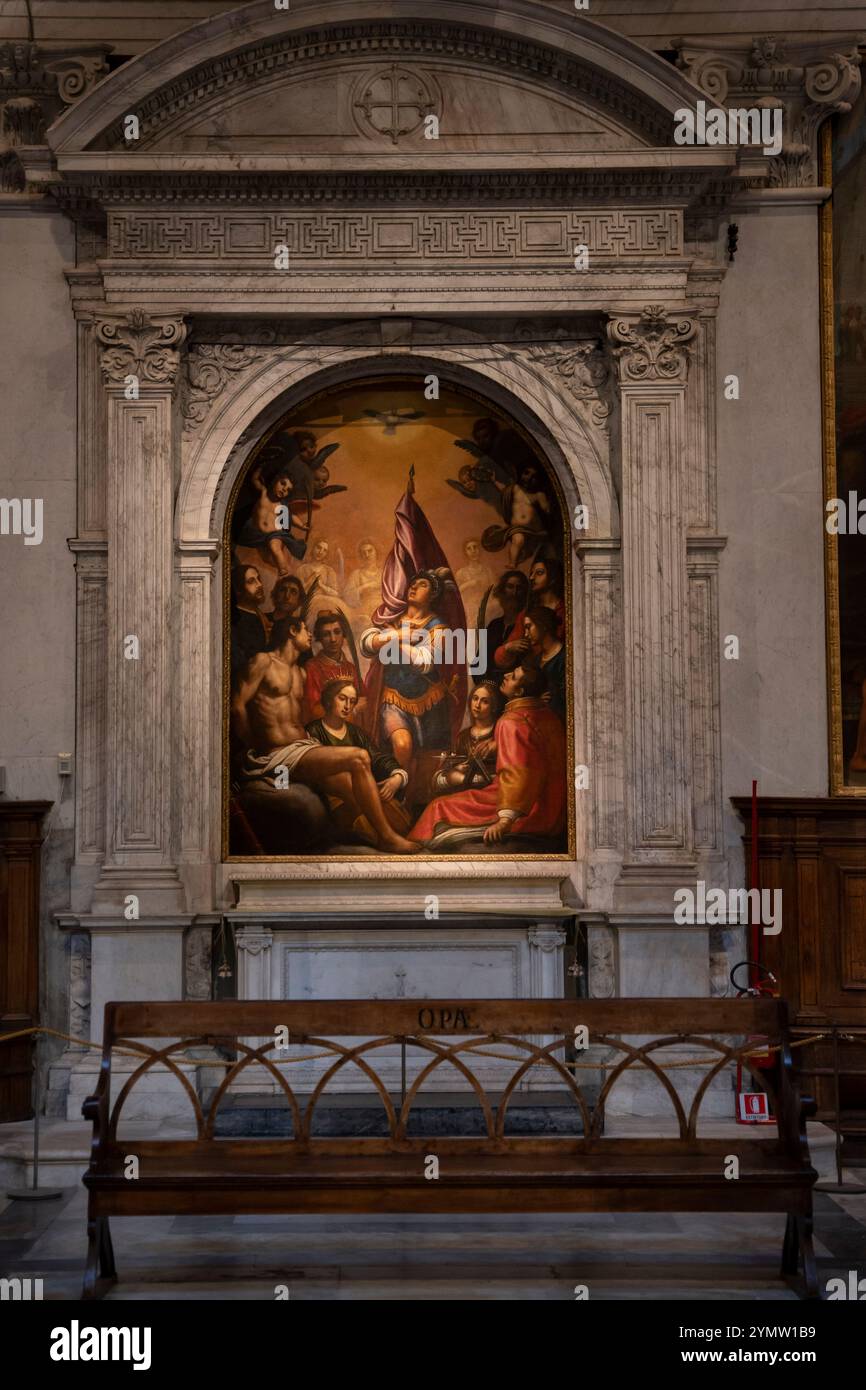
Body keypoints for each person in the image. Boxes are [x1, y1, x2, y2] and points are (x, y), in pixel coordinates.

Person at [232, 617, 419, 855]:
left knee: (350, 786)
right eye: (306, 631)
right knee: (359, 758)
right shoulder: (263, 662)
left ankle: (349, 835)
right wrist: (254, 746)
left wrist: (396, 776)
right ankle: (387, 838)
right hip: (276, 754)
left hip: (300, 748)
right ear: (291, 630)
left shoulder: (299, 672)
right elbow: (237, 705)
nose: (311, 637)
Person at [408, 664, 567, 849]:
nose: (506, 674)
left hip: (526, 809)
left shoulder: (511, 722)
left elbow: (517, 774)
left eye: (513, 676)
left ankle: (413, 856)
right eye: (474, 699)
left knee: (438, 808)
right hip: (553, 809)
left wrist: (505, 821)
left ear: (520, 691)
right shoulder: (546, 715)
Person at [361, 568, 458, 769]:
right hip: (393, 699)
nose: (413, 586)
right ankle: (399, 792)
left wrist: (394, 640)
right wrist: (396, 635)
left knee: (430, 759)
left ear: (433, 595)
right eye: (413, 583)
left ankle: (415, 797)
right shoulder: (393, 618)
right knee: (402, 745)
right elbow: (367, 644)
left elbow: (424, 662)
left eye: (422, 584)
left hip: (430, 702)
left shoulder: (439, 628)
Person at [305, 679, 408, 844]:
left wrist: (398, 775)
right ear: (330, 699)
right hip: (338, 801)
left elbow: (378, 757)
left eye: (352, 701)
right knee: (373, 831)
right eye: (342, 698)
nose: (347, 705)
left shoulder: (356, 733)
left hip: (365, 795)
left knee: (401, 822)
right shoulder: (313, 731)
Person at [431, 680, 503, 795]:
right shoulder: (463, 736)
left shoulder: (499, 732)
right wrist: (457, 770)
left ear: (494, 706)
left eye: (485, 701)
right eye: (475, 698)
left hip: (492, 793)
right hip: (465, 793)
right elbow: (442, 775)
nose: (477, 705)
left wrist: (464, 779)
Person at [236, 462, 309, 574]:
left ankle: (283, 571)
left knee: (275, 548)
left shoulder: (282, 505)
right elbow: (255, 479)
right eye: (282, 484)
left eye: (288, 490)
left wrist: (302, 525)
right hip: (256, 533)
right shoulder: (264, 493)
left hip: (274, 534)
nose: (284, 489)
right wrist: (260, 465)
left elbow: (292, 517)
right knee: (267, 559)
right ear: (275, 480)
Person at [494, 557, 565, 667]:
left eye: (539, 573)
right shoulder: (526, 613)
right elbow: (500, 658)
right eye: (531, 573)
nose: (531, 578)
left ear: (553, 577)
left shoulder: (566, 611)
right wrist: (508, 647)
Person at [303, 610, 362, 722]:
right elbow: (313, 710)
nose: (333, 639)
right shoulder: (312, 668)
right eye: (326, 634)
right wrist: (352, 710)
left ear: (343, 635)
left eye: (337, 632)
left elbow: (364, 699)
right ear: (319, 638)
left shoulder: (351, 668)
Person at [523, 606, 566, 721]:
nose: (526, 634)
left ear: (543, 625)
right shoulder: (536, 660)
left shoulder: (564, 658)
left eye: (528, 627)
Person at [230, 562, 271, 677]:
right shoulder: (235, 618)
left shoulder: (261, 616)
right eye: (251, 581)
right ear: (238, 589)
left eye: (258, 579)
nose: (259, 585)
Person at [455, 537, 495, 624]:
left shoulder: (487, 571)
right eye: (469, 548)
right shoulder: (461, 573)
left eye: (475, 547)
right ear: (465, 553)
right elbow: (456, 594)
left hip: (486, 609)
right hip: (469, 610)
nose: (473, 551)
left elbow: (494, 591)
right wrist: (469, 584)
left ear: (479, 550)